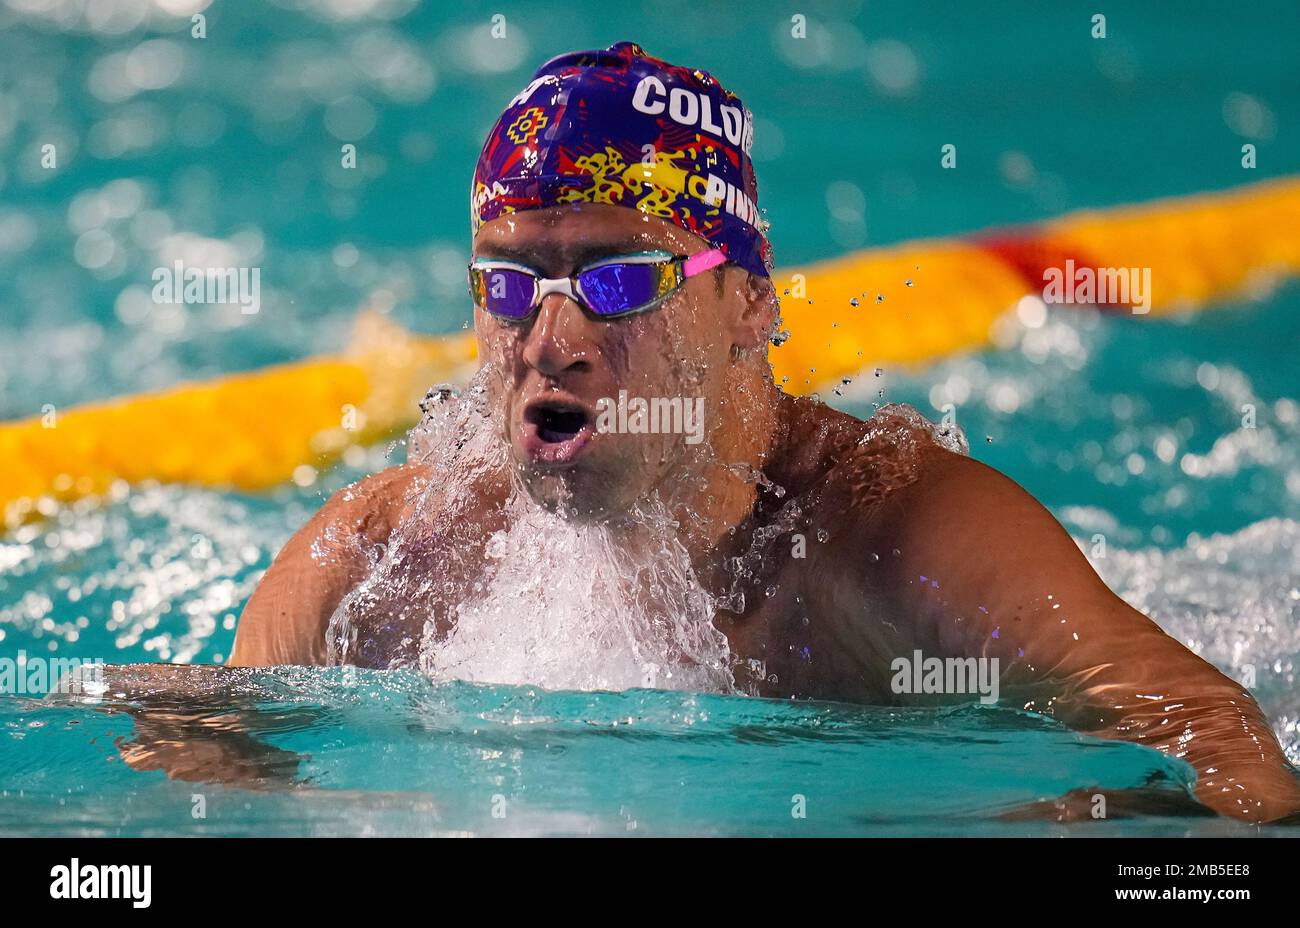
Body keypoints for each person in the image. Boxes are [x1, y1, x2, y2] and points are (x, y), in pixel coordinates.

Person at [228, 42, 1300, 823]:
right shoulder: (392, 562)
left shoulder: (897, 540)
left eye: (617, 278)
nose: (549, 339)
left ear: (749, 302)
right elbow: (191, 774)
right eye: (510, 282)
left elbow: (1233, 751)